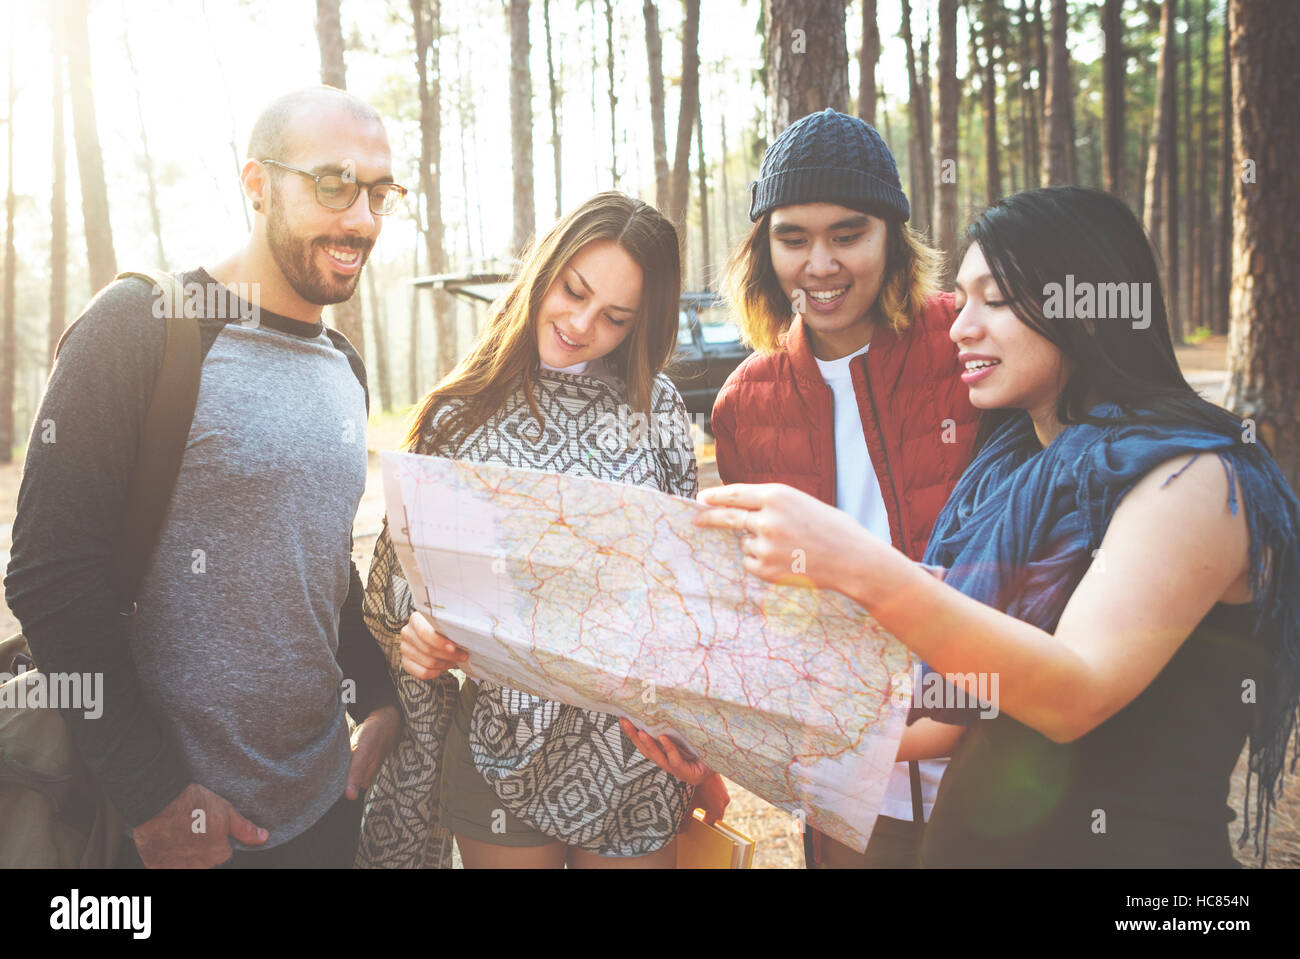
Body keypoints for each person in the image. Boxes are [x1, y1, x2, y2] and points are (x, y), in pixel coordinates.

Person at [694, 185, 1300, 867]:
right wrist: (721, 718)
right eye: (962, 297)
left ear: (1090, 309)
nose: (960, 326)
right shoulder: (1013, 476)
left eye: (997, 299)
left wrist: (854, 559)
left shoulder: (1194, 479)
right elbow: (962, 710)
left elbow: (1074, 690)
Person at [6, 86, 404, 868]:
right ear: (258, 185)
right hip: (170, 833)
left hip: (326, 807)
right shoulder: (140, 327)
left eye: (379, 192)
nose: (361, 218)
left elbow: (322, 563)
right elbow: (49, 577)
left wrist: (378, 692)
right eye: (333, 184)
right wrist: (156, 800)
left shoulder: (344, 368)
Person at [357, 191, 728, 869]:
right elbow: (398, 589)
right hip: (502, 752)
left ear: (641, 323)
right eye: (573, 290)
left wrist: (704, 753)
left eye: (615, 317)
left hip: (634, 762)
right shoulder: (458, 415)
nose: (582, 324)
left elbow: (687, 600)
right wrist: (417, 633)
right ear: (544, 269)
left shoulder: (661, 412)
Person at [708, 107, 981, 867]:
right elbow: (765, 605)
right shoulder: (743, 404)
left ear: (893, 235)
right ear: (763, 248)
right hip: (852, 780)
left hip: (998, 759)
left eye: (848, 233)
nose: (819, 264)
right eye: (793, 237)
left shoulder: (969, 342)